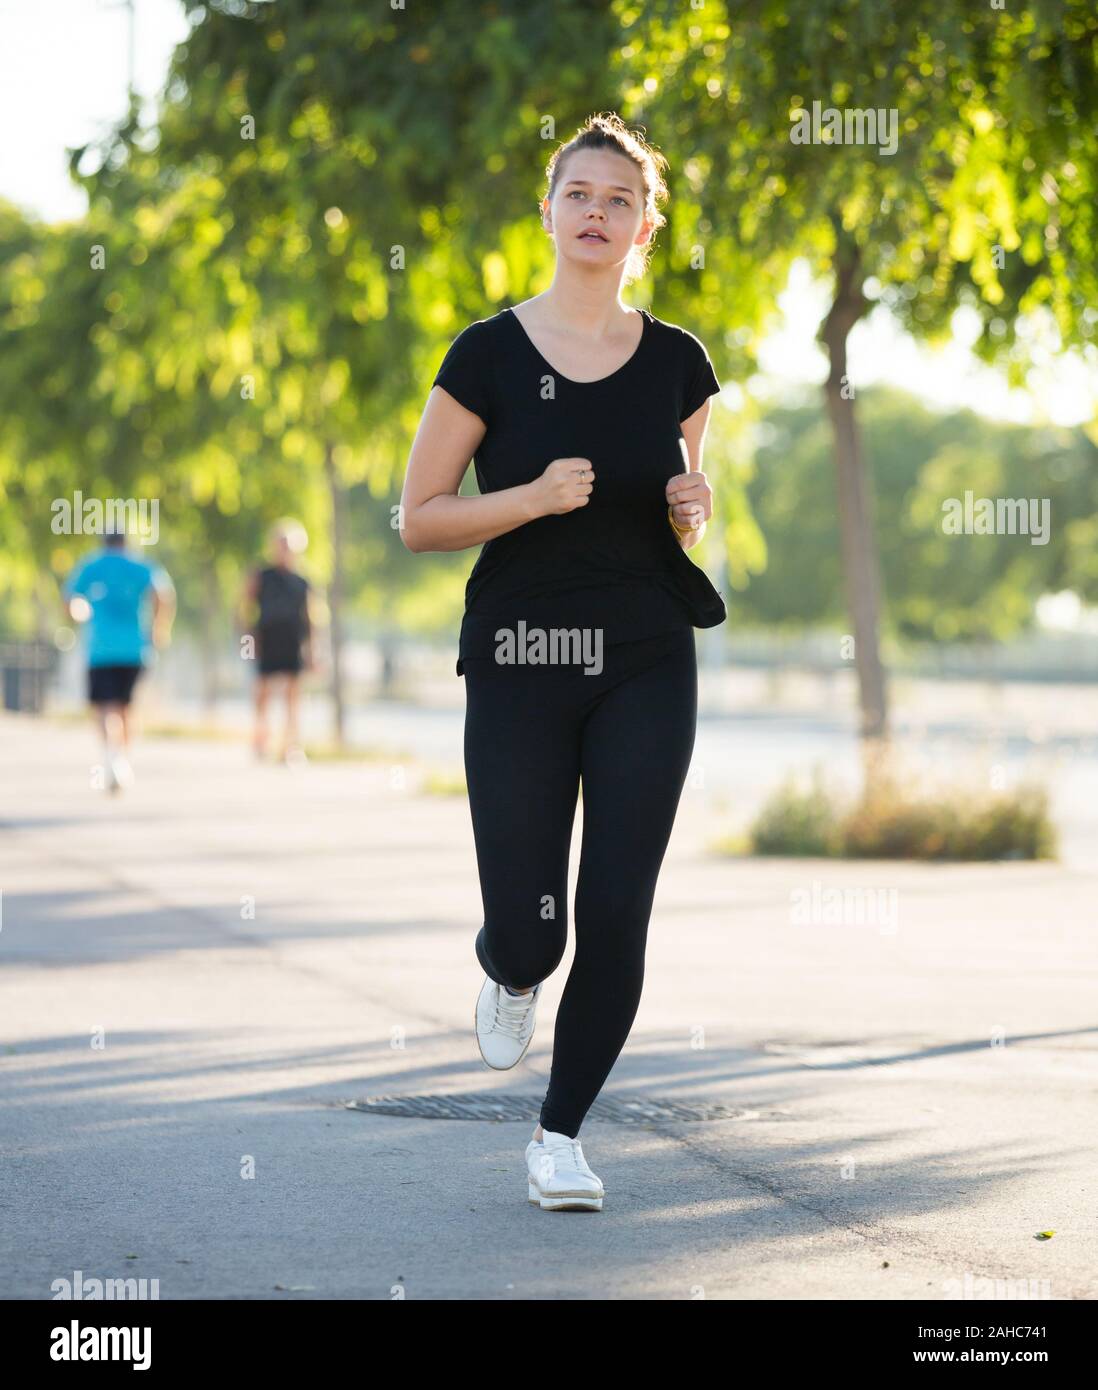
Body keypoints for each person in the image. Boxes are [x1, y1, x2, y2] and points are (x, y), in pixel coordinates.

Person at [400, 113, 727, 1211]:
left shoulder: (681, 363)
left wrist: (693, 507)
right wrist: (529, 500)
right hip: (521, 654)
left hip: (646, 655)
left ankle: (560, 1134)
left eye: (620, 200)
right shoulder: (485, 354)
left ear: (646, 225)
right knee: (537, 927)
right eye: (580, 194)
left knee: (619, 905)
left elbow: (680, 512)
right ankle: (508, 967)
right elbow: (420, 517)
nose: (598, 213)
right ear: (548, 212)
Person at [61, 526, 175, 793]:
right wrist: (158, 628)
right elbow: (163, 595)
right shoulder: (141, 565)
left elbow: (70, 600)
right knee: (126, 707)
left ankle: (112, 757)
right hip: (135, 649)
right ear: (126, 543)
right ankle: (122, 759)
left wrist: (82, 614)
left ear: (104, 542)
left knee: (104, 707)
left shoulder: (92, 565)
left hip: (100, 649)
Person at [239, 519, 315, 763]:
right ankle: (261, 738)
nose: (284, 550)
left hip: (292, 641)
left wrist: (312, 650)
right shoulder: (261, 575)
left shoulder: (303, 581)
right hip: (266, 640)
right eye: (280, 545)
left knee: (293, 696)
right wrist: (248, 641)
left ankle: (290, 746)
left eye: (288, 546)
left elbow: (311, 616)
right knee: (262, 692)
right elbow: (244, 608)